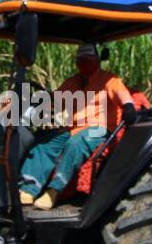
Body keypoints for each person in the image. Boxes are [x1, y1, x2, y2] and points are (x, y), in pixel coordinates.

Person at [19, 42, 137, 209]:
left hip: (100, 129)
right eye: (80, 59)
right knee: (44, 144)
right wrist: (38, 102)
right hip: (75, 129)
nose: (84, 63)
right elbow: (56, 99)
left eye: (88, 59)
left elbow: (121, 93)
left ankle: (54, 191)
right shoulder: (73, 82)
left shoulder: (108, 80)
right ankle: (27, 190)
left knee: (76, 143)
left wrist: (128, 106)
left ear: (97, 60)